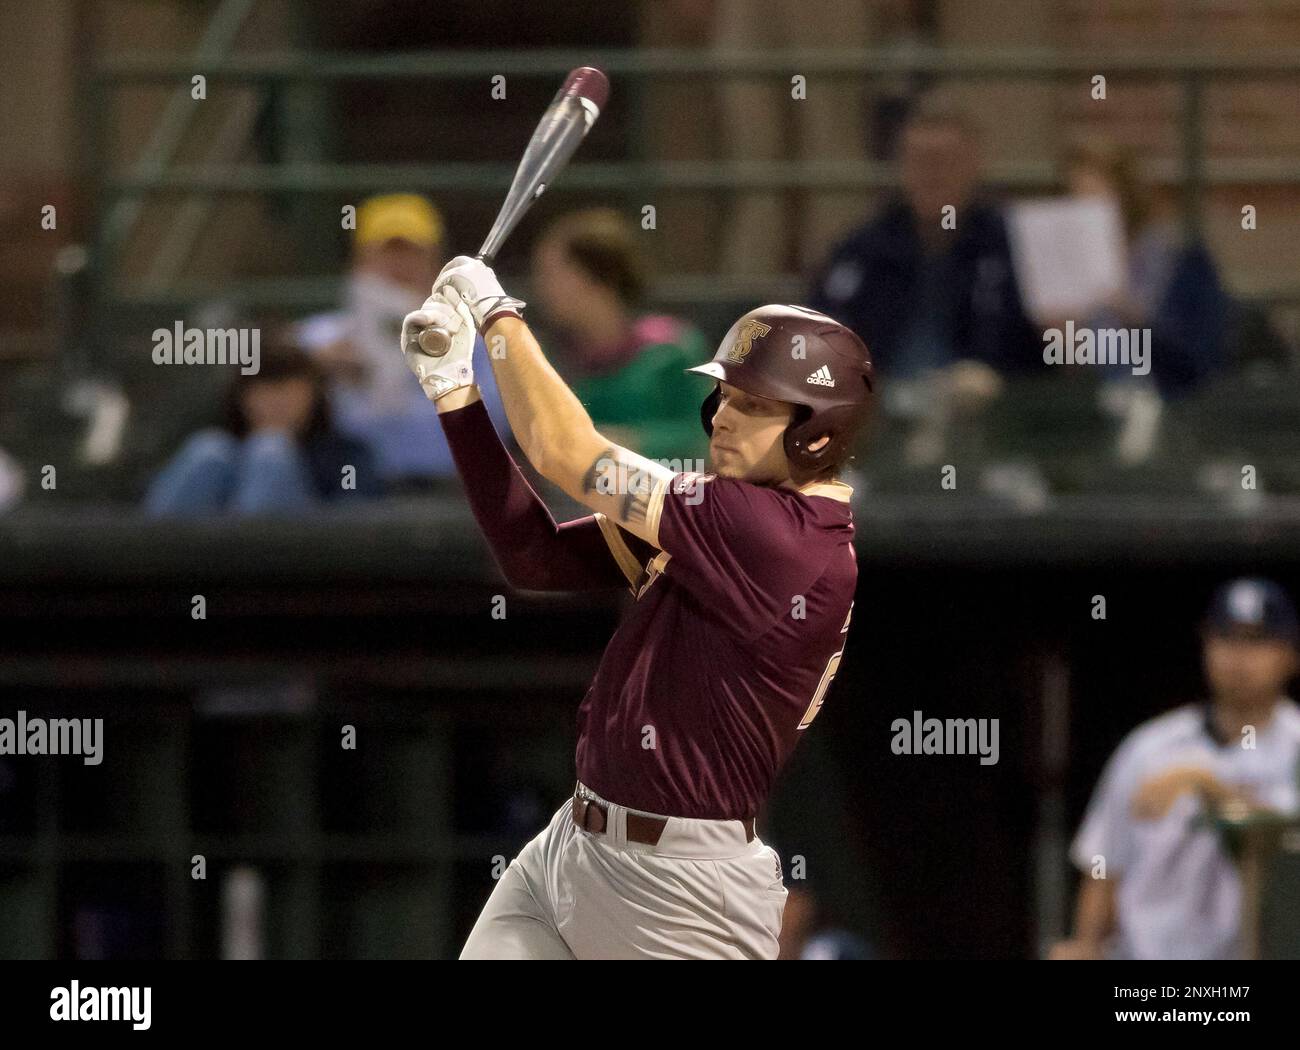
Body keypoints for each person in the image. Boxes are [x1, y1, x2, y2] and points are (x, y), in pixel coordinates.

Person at [400, 257, 873, 959]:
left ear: (819, 432)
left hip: (681, 892)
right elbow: (533, 558)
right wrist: (455, 392)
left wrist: (498, 315)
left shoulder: (778, 538)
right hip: (572, 845)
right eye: (727, 398)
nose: (724, 419)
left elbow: (567, 453)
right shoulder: (727, 516)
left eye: (756, 406)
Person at [1052, 578, 1300, 960]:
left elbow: (1278, 833)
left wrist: (1205, 785)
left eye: (1257, 640)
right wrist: (1086, 943)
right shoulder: (1150, 747)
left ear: (1290, 654)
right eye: (1226, 638)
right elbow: (1103, 862)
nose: (1238, 657)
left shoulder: (1294, 742)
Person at [808, 96, 1039, 389]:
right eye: (920, 161)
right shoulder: (862, 250)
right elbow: (820, 327)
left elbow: (1038, 350)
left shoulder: (1012, 247)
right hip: (879, 403)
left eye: (944, 161)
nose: (933, 174)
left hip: (985, 411)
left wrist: (992, 373)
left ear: (973, 165)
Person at [295, 193, 509, 488]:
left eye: (413, 254)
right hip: (344, 491)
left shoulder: (474, 338)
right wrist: (314, 371)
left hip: (451, 489)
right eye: (385, 254)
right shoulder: (318, 337)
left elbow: (499, 420)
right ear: (359, 262)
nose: (399, 266)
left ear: (436, 264)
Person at [529, 208, 711, 464]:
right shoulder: (545, 357)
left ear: (596, 278)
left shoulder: (672, 349)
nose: (542, 286)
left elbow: (701, 436)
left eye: (552, 273)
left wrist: (622, 442)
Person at [1062, 136, 1228, 398]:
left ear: (1126, 196)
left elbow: (1198, 354)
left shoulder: (1178, 258)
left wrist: (1133, 316)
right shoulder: (1068, 261)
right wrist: (1059, 333)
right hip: (1090, 404)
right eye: (1077, 200)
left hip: (1167, 397)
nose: (1086, 213)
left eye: (1095, 198)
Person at [144, 336, 379, 516]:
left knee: (269, 449)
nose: (276, 400)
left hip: (298, 557)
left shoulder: (347, 457)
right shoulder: (219, 447)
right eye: (262, 389)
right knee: (208, 450)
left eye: (288, 387)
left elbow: (354, 511)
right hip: (197, 560)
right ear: (240, 398)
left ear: (314, 394)